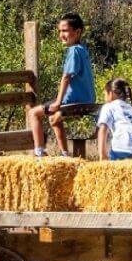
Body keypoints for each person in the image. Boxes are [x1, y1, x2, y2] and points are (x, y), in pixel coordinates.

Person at [29, 12, 96, 157]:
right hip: (87, 100)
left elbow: (66, 77)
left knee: (33, 113)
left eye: (65, 31)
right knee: (54, 118)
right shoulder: (83, 50)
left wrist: (58, 102)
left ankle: (39, 152)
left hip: (73, 100)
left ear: (77, 32)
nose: (61, 35)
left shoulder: (73, 51)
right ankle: (65, 154)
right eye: (59, 31)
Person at [97, 78, 132, 161]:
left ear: (110, 94)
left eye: (105, 94)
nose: (104, 97)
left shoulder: (108, 106)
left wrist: (102, 155)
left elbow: (103, 130)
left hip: (125, 145)